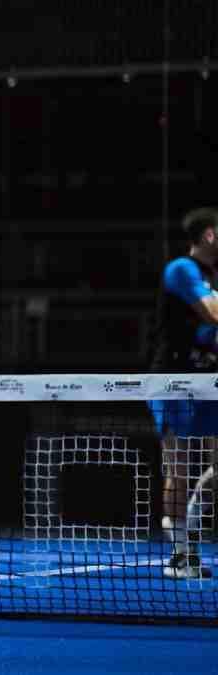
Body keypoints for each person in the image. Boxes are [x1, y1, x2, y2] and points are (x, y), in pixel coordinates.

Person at [147, 207, 218, 580]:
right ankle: (179, 554)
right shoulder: (182, 269)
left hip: (210, 382)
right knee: (180, 469)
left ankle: (189, 532)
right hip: (173, 380)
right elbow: (212, 313)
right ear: (209, 235)